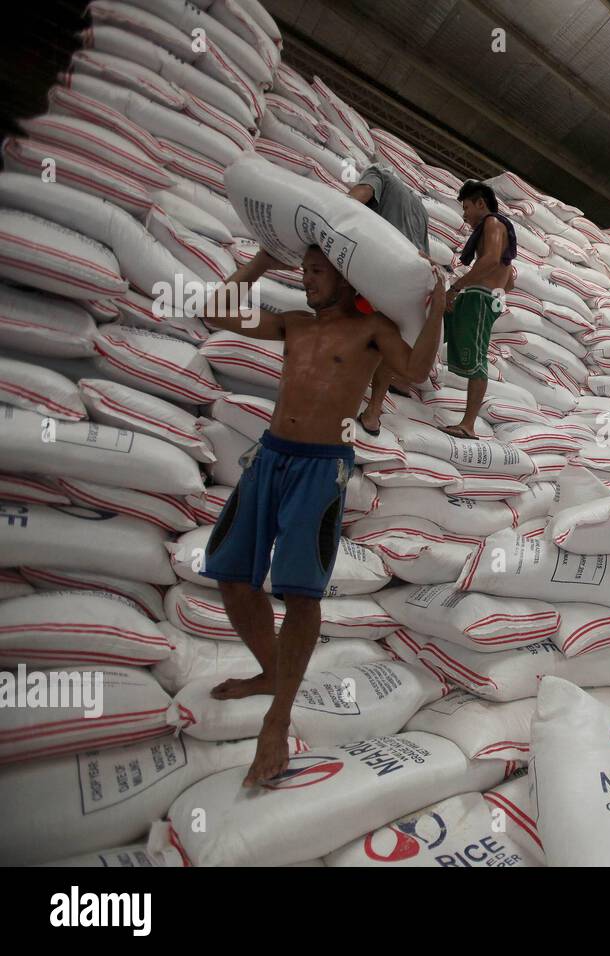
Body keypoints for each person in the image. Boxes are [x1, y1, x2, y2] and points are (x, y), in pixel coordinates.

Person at [194, 245, 445, 786]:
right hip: (269, 457)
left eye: (317, 271)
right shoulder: (293, 324)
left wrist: (439, 305)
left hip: (321, 468)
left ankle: (277, 718)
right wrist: (264, 259)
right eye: (303, 270)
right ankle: (270, 671)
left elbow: (419, 369)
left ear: (347, 279)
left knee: (301, 593)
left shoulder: (371, 329)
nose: (307, 280)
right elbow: (216, 310)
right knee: (233, 577)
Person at [346, 164, 431, 436]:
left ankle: (344, 395)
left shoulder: (378, 174)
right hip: (414, 277)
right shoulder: (419, 207)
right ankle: (373, 412)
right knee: (388, 339)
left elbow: (356, 198)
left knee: (350, 322)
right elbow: (424, 249)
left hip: (385, 265)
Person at [440, 179, 517, 439]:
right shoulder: (499, 232)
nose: (464, 215)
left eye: (466, 208)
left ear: (480, 203)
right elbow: (511, 282)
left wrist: (457, 287)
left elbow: (492, 259)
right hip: (484, 296)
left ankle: (468, 424)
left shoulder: (493, 223)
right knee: (441, 323)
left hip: (479, 297)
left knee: (478, 358)